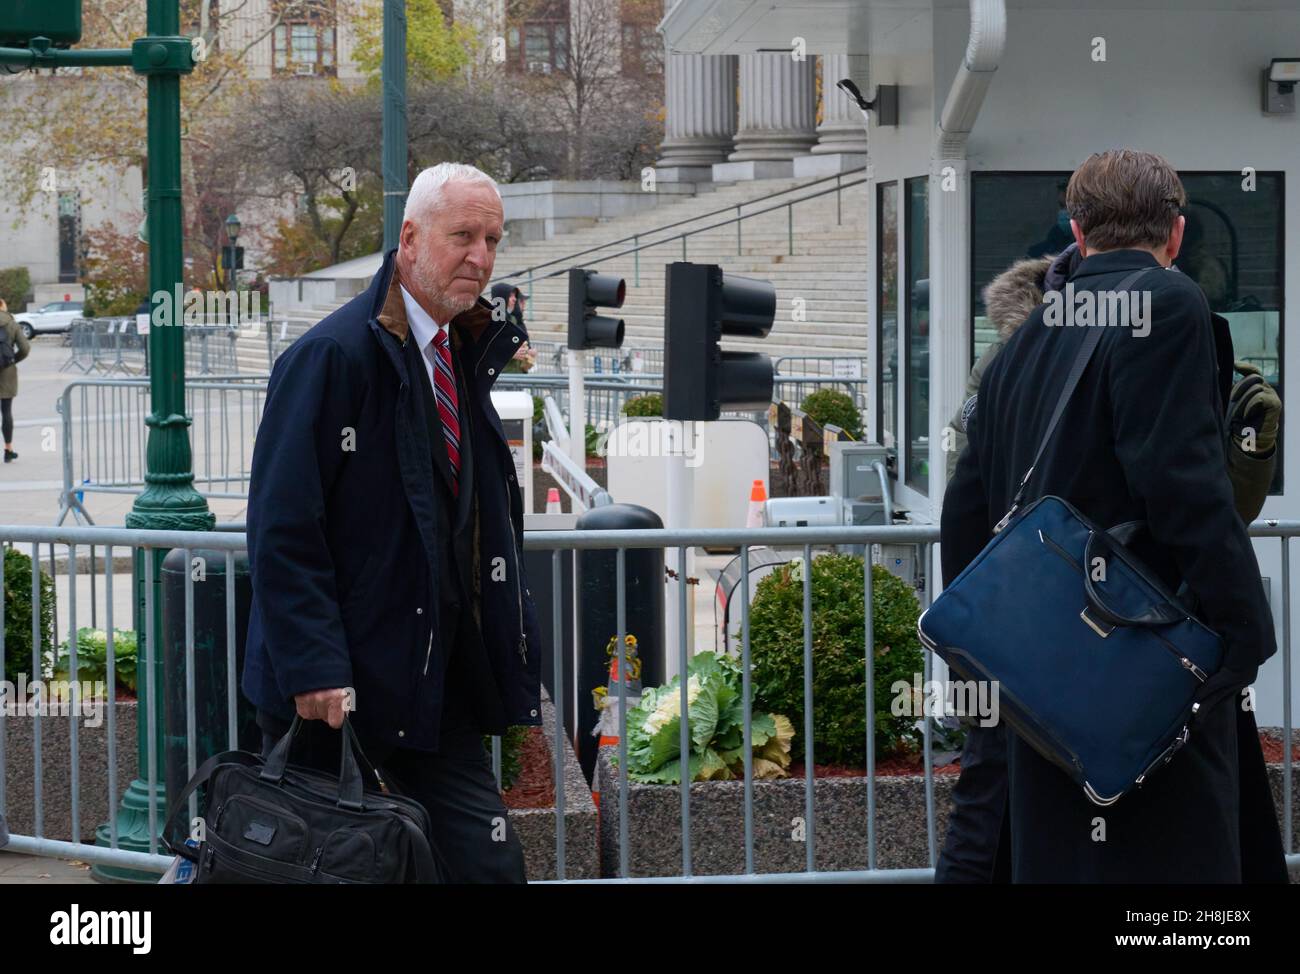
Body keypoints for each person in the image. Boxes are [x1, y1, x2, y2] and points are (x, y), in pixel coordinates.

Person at [940, 149, 1278, 882]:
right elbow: (1182, 485)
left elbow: (965, 507)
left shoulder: (1022, 343)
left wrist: (992, 647)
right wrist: (1246, 628)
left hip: (1046, 677)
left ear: (1077, 231)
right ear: (1177, 234)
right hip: (1139, 658)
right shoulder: (1169, 301)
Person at [242, 163, 542, 883]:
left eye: (493, 239)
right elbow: (283, 529)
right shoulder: (330, 357)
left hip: (438, 695)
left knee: (489, 869)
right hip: (336, 704)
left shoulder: (461, 352)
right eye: (463, 236)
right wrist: (315, 670)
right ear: (409, 238)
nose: (481, 256)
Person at [0, 297, 31, 463]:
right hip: (7, 372)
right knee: (6, 411)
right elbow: (25, 348)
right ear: (3, 306)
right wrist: (12, 360)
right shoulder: (12, 323)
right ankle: (8, 449)